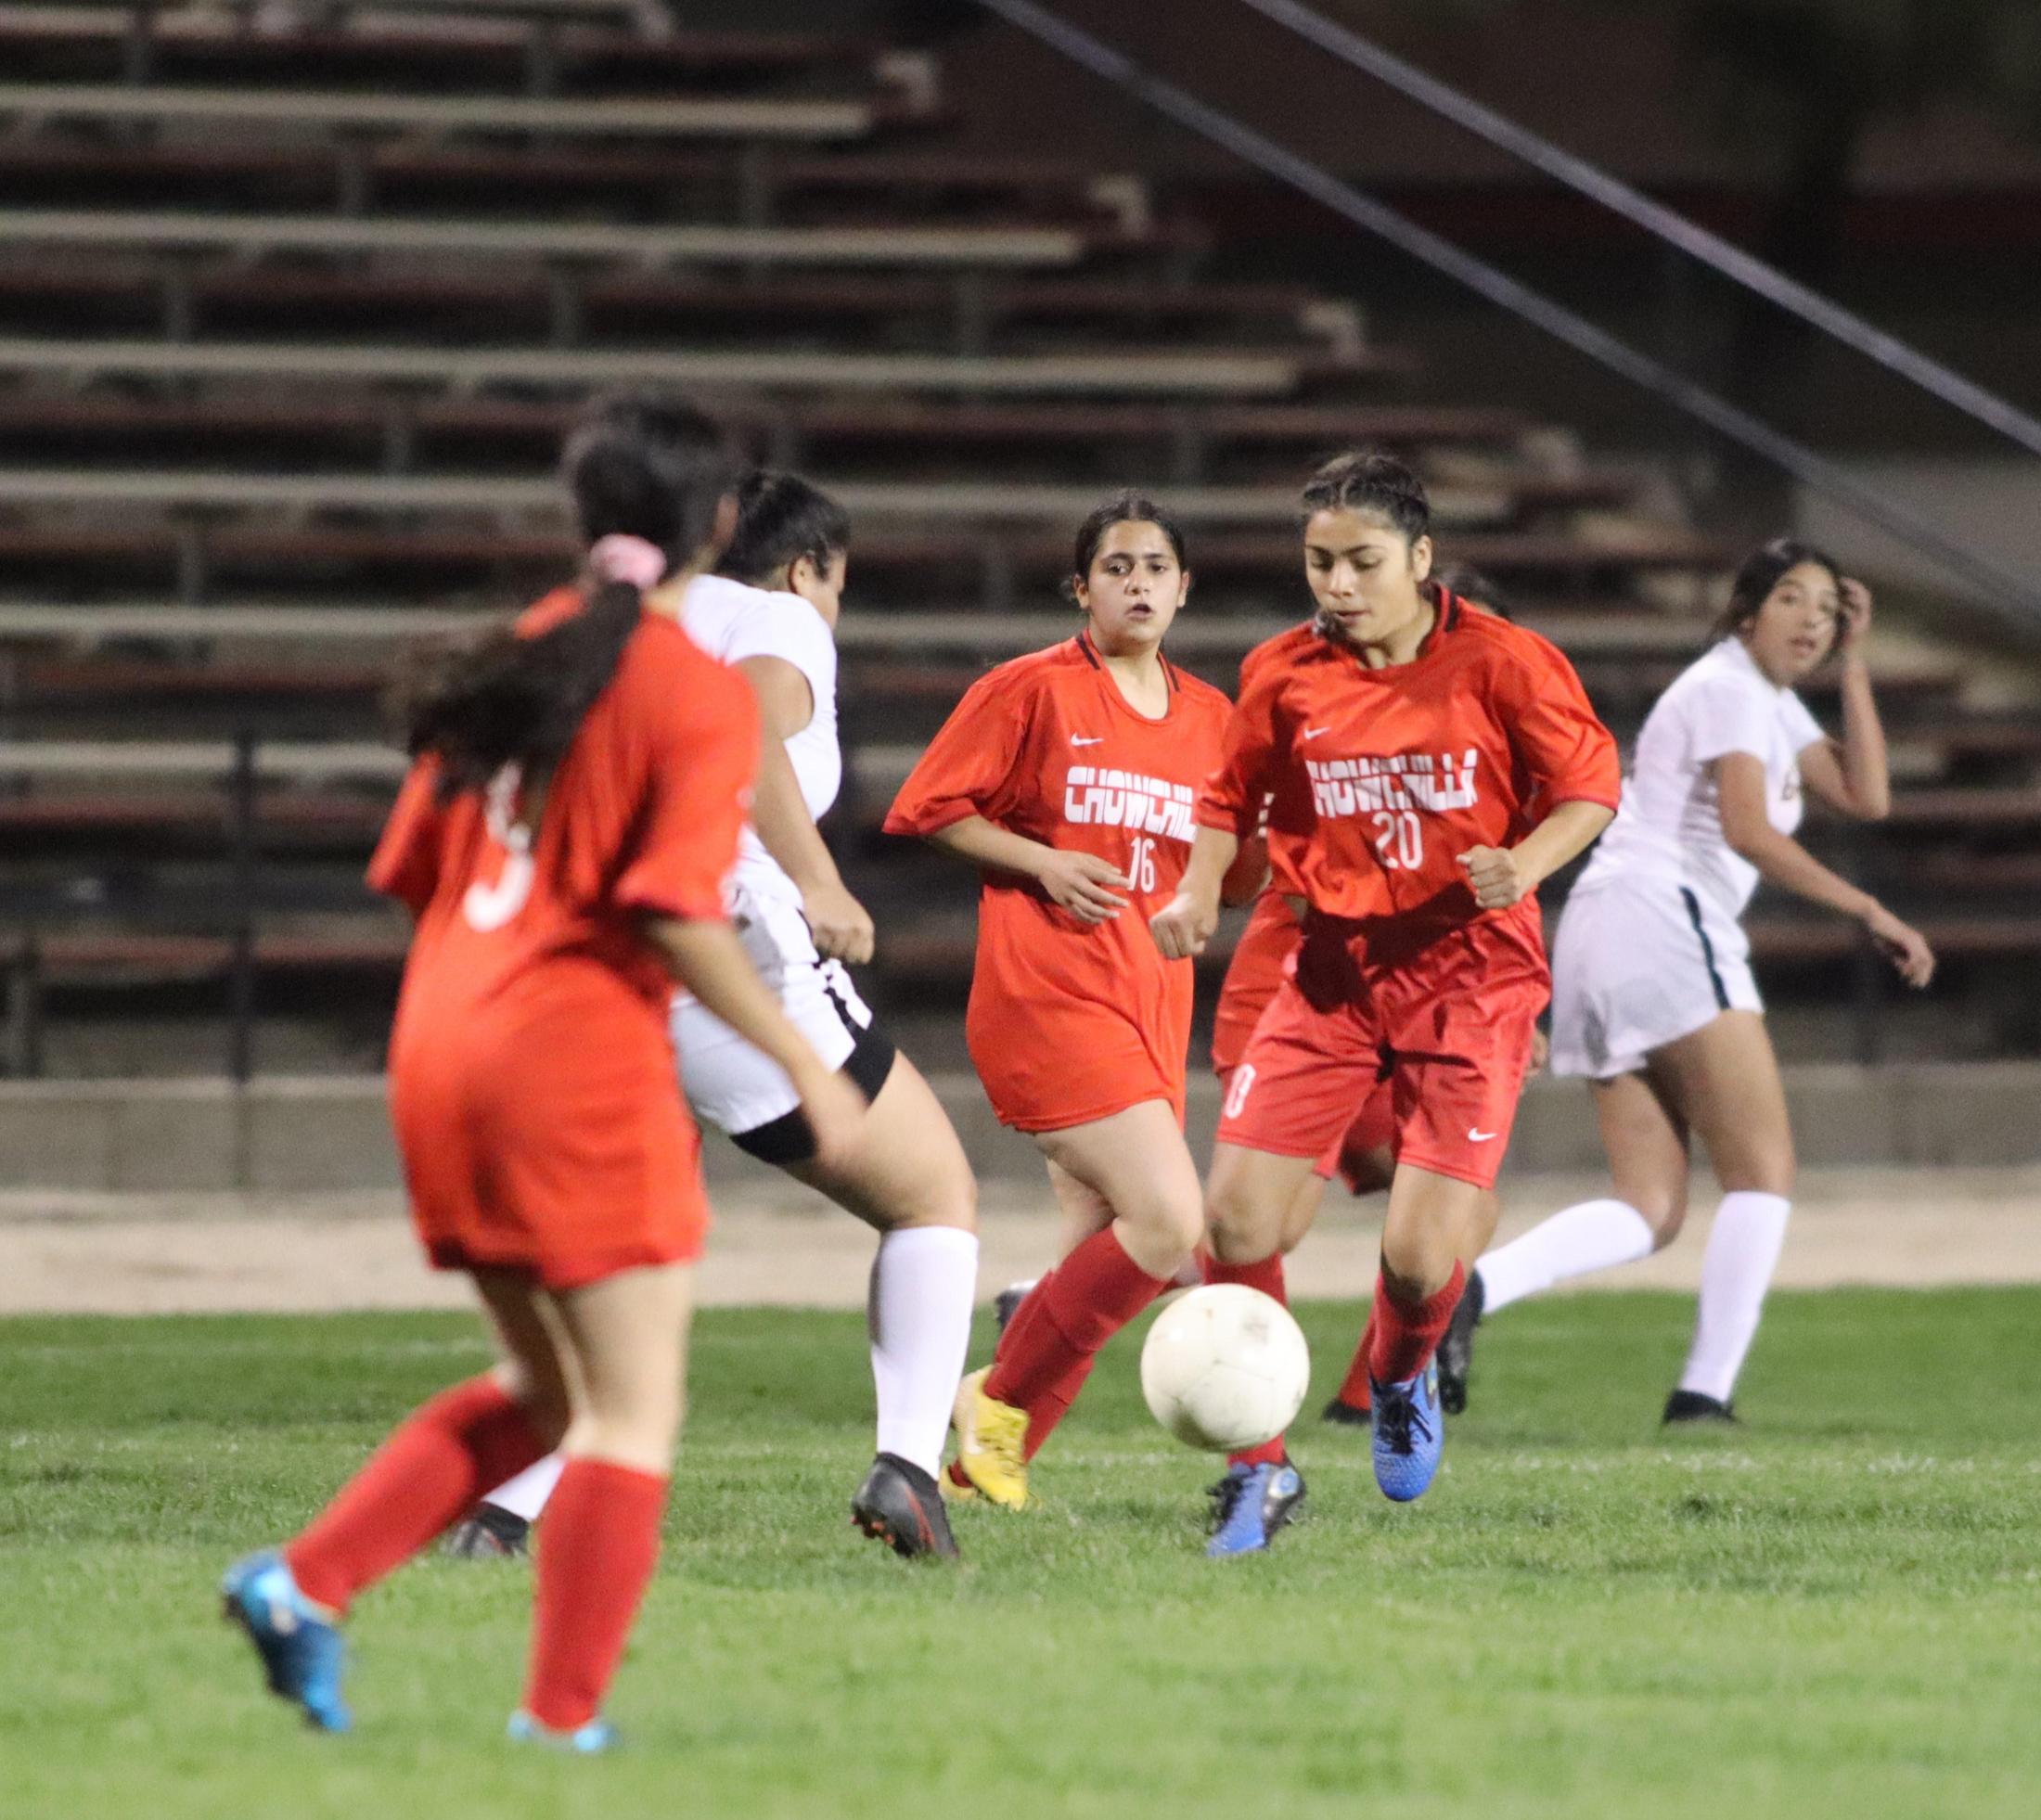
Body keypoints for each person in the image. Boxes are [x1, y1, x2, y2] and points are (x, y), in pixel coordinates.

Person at [220, 395, 866, 1748]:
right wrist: (805, 1050)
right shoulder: (689, 686)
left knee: (550, 1391)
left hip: (442, 1042)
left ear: (584, 518)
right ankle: (560, 1721)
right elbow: (674, 909)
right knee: (633, 1406)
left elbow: (410, 871)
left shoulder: (519, 656)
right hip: (567, 1057)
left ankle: (305, 1581)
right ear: (721, 525)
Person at [457, 470, 981, 1563]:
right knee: (933, 1195)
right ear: (808, 568)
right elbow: (747, 731)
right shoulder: (778, 616)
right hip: (722, 940)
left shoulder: (627, 619)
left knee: (636, 1257)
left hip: (585, 954)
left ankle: (504, 1509)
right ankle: (908, 1471)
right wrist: (821, 882)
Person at [1152, 451, 1620, 1552]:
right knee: (1234, 1219)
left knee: (1416, 1259)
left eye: (1361, 561)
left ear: (1419, 558)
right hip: (1332, 972)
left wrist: (1527, 860)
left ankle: (1399, 1372)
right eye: (1319, 562)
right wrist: (1194, 889)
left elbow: (1591, 785)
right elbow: (1229, 798)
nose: (1337, 584)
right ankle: (1257, 1474)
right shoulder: (1283, 671)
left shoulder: (1503, 662)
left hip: (1472, 976)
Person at [1440, 542, 1933, 1423]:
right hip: (1663, 920)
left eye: (1827, 607)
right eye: (1792, 598)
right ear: (1747, 612)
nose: (1813, 620)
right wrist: (1868, 908)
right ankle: (1704, 1394)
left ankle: (1470, 1293)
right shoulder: (1729, 688)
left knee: (1650, 1207)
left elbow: (1867, 796)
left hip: (1606, 927)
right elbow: (1747, 830)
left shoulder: (1766, 703)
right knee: (1763, 1172)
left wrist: (1855, 665)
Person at [884, 493, 1239, 1513]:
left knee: (1101, 1246)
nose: (1138, 584)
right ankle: (994, 1399)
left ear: (1184, 587)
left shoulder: (1214, 719)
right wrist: (1042, 862)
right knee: (1170, 1222)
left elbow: (1231, 865)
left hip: (1147, 1001)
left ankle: (992, 1441)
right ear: (1080, 587)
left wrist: (1206, 893)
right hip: (1045, 993)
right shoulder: (1029, 691)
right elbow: (928, 808)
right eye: (1117, 567)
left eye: (1156, 567)